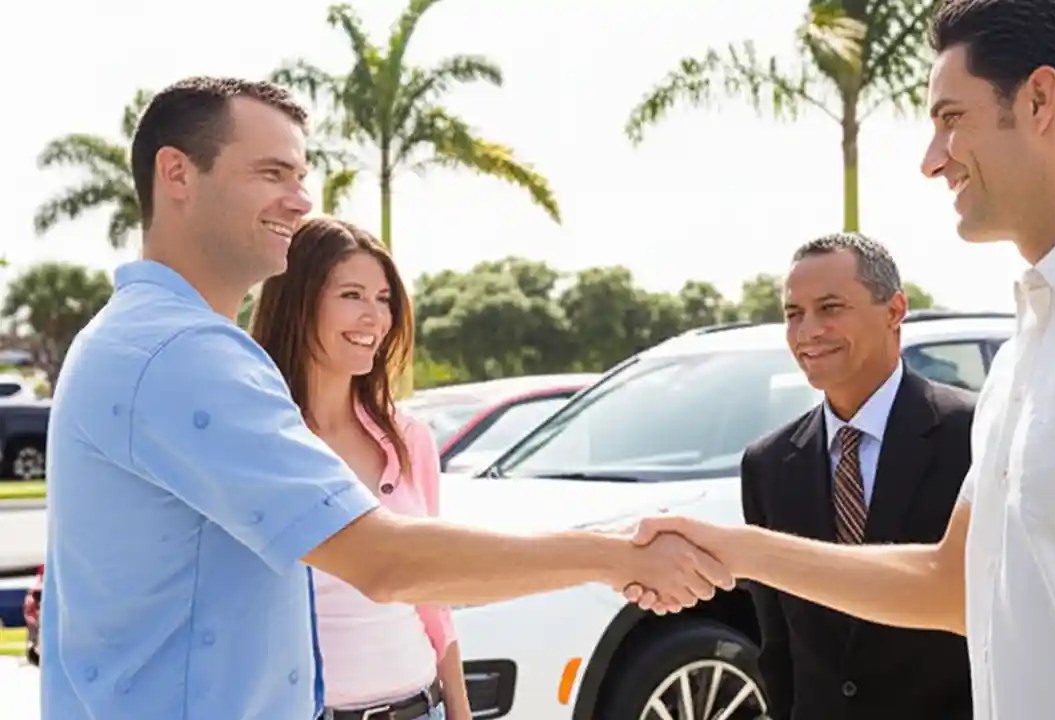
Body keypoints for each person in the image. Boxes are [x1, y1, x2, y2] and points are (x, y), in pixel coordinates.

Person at [628, 1, 1055, 718]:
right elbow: (951, 584)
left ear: (1038, 99)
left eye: (950, 118)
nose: (932, 158)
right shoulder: (1025, 352)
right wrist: (733, 550)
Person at [42, 76, 731, 720]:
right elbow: (386, 560)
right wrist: (614, 555)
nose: (300, 199)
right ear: (177, 174)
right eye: (271, 172)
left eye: (300, 175)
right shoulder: (184, 356)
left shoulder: (131, 338)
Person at [742, 232, 973, 720]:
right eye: (793, 314)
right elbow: (777, 648)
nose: (808, 331)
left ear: (894, 311)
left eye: (830, 307)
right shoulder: (767, 465)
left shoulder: (973, 436)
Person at [249, 217, 469, 720]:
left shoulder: (407, 437)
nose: (375, 317)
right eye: (352, 295)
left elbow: (433, 592)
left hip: (421, 708)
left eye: (384, 298)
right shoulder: (259, 441)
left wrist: (458, 708)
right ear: (297, 302)